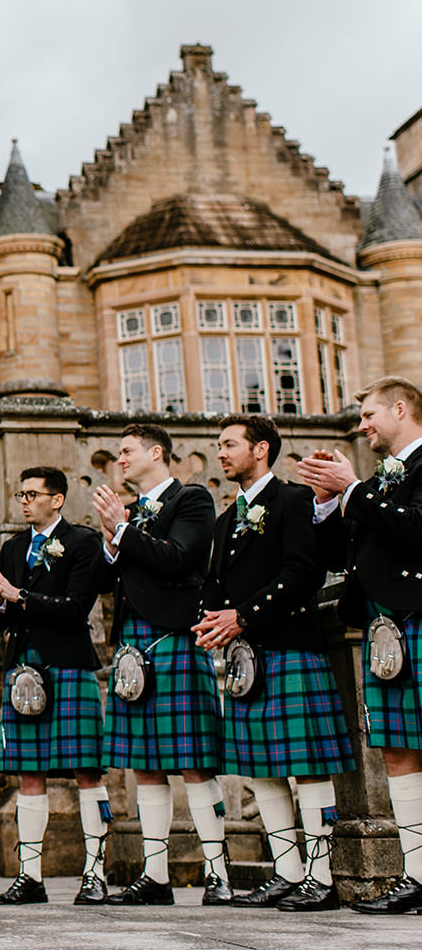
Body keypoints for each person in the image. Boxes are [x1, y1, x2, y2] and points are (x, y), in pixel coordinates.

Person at [198, 414, 353, 912]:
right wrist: (210, 621)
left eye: (229, 445)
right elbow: (215, 585)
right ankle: (287, 873)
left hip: (290, 648)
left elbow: (305, 571)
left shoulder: (292, 501)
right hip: (248, 660)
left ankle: (321, 877)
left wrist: (242, 616)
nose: (221, 453)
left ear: (261, 449)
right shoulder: (226, 519)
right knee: (261, 768)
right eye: (219, 446)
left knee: (307, 767)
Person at [297, 376, 422, 914]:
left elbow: (416, 530)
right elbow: (343, 550)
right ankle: (416, 877)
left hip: (420, 617)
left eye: (370, 414)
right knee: (396, 751)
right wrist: (329, 503)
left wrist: (354, 490)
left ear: (401, 408)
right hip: (383, 627)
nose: (362, 424)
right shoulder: (381, 479)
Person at [90, 423, 224, 906]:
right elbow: (106, 581)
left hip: (173, 637)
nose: (120, 460)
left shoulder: (191, 499)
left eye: (127, 452)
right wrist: (110, 537)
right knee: (145, 766)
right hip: (133, 643)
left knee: (192, 763)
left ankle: (218, 875)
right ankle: (155, 876)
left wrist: (122, 529)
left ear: (156, 452)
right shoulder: (128, 512)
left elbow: (179, 558)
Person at [0, 466, 109, 906]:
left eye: (33, 494)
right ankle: (30, 877)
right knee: (27, 773)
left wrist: (17, 594)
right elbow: (2, 619)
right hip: (23, 668)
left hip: (69, 666)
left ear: (57, 500)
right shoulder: (13, 548)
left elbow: (75, 608)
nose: (25, 501)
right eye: (21, 494)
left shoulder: (84, 542)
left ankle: (96, 874)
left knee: (87, 771)